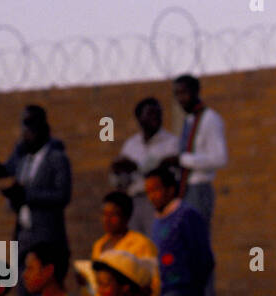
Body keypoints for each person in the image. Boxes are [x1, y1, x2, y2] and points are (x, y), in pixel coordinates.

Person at [0, 105, 73, 261]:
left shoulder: (56, 158)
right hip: (23, 234)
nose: (26, 131)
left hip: (47, 236)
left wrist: (27, 195)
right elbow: (11, 170)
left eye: (30, 124)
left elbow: (62, 195)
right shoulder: (23, 158)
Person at [144, 167, 215, 296]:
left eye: (156, 190)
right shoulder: (157, 220)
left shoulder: (186, 215)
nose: (152, 196)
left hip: (184, 292)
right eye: (148, 191)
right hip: (163, 291)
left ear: (170, 189)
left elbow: (203, 258)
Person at [111, 98, 180, 237]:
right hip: (134, 201)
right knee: (136, 246)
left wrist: (137, 167)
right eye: (150, 114)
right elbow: (120, 182)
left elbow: (174, 176)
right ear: (139, 118)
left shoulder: (171, 143)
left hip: (158, 202)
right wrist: (119, 171)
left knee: (158, 242)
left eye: (158, 114)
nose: (156, 118)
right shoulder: (131, 145)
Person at [170, 74, 228, 228]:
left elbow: (220, 158)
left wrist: (183, 160)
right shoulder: (189, 120)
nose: (180, 99)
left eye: (184, 93)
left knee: (197, 237)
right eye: (177, 94)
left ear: (196, 92)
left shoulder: (210, 119)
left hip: (200, 187)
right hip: (184, 188)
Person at [89, 190, 159, 263]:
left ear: (126, 217)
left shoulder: (141, 245)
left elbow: (150, 272)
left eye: (113, 215)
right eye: (104, 214)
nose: (107, 220)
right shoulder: (98, 245)